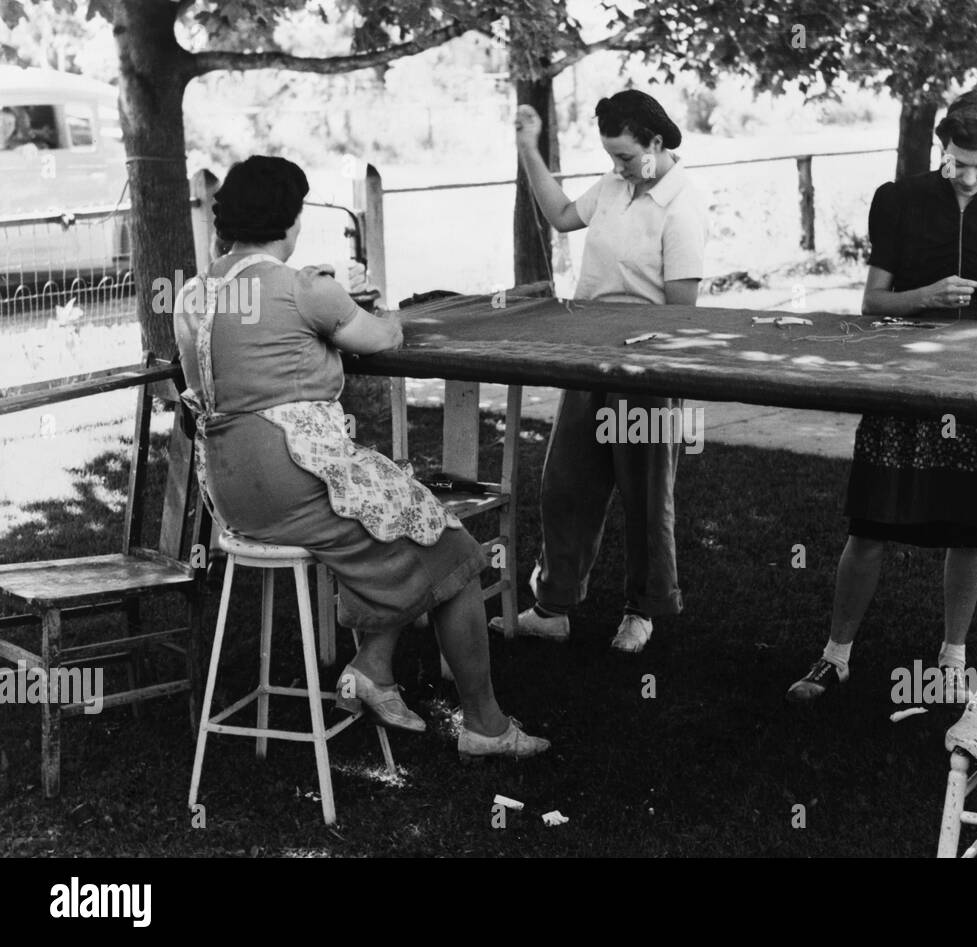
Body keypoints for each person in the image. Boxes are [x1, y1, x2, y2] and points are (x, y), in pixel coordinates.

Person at [173, 155, 549, 762]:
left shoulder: (191, 295)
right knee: (452, 549)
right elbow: (384, 338)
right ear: (291, 222)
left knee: (398, 519)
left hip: (231, 491)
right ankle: (485, 725)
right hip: (294, 474)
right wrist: (379, 309)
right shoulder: (303, 288)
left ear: (227, 222)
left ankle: (373, 665)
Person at [785, 89, 977, 703]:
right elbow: (872, 303)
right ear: (942, 147)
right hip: (904, 388)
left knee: (971, 530)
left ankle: (953, 655)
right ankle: (836, 656)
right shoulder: (900, 201)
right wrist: (927, 295)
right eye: (959, 162)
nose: (968, 177)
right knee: (871, 524)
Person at [490, 89, 709, 653]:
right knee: (565, 486)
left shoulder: (682, 206)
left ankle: (643, 610)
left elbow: (682, 312)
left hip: (645, 369)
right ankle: (553, 606)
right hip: (587, 355)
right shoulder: (614, 186)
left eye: (626, 156)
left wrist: (637, 350)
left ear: (656, 144)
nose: (617, 166)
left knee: (645, 494)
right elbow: (562, 217)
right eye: (611, 156)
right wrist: (528, 148)